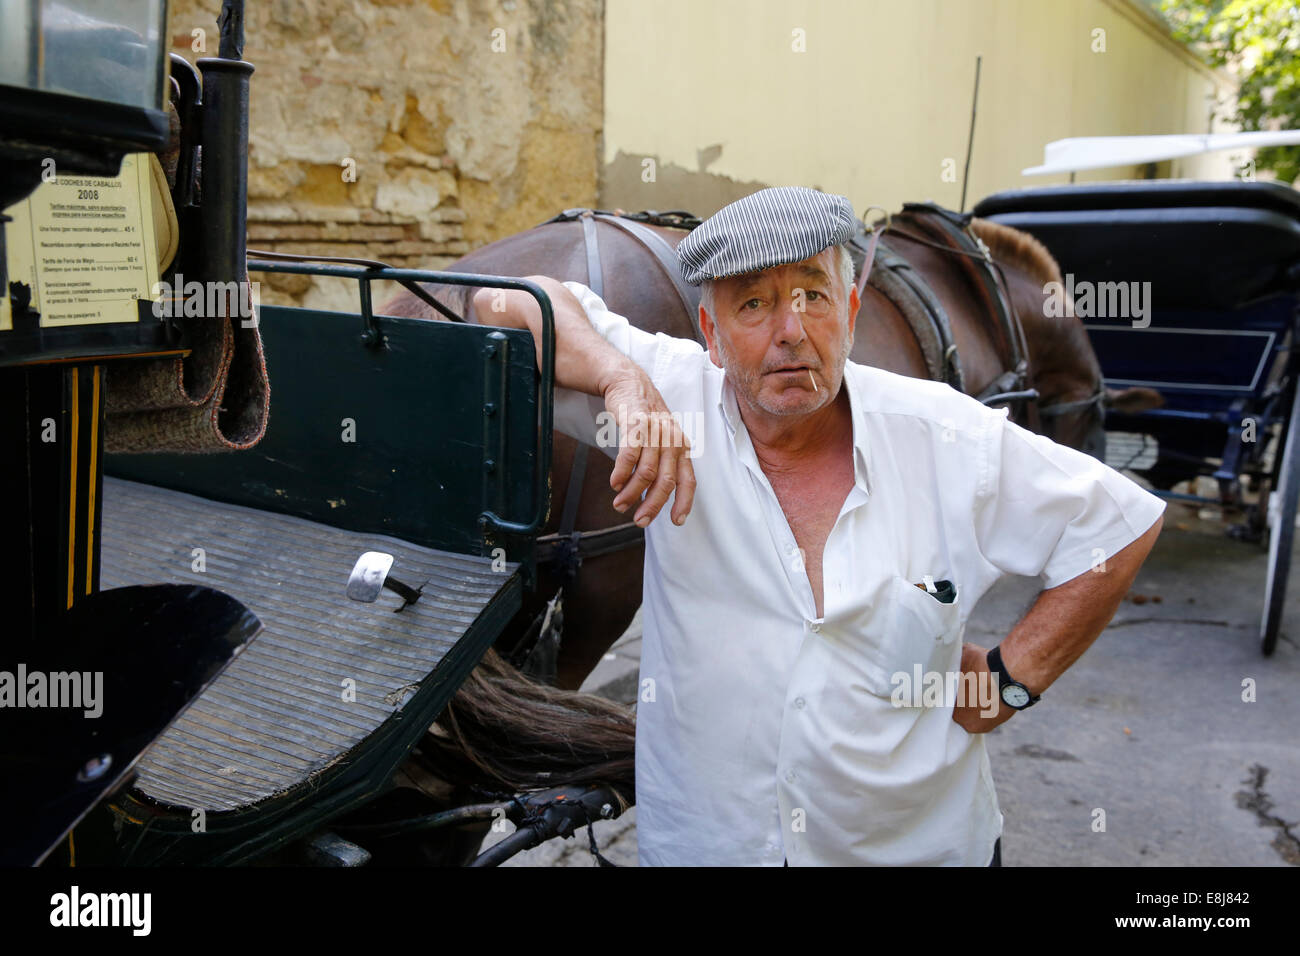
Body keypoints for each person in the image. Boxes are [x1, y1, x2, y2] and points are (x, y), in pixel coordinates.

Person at [472, 186, 1165, 866]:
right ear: (711, 335)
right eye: (754, 304)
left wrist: (1008, 683)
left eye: (814, 296)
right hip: (705, 846)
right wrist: (620, 379)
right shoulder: (673, 397)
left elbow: (1119, 525)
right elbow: (501, 302)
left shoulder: (947, 436)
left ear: (852, 312)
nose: (791, 332)